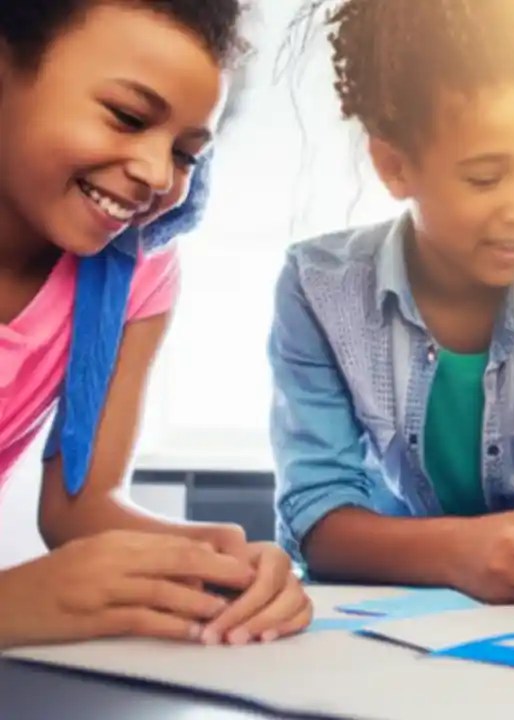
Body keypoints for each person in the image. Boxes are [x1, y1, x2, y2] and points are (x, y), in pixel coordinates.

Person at [270, 0, 514, 604]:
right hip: (375, 619)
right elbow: (317, 515)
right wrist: (460, 551)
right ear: (394, 166)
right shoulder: (318, 290)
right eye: (485, 178)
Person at [0, 0, 309, 649]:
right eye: (128, 117)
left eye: (188, 153)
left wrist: (216, 559)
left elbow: (78, 509)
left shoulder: (134, 274)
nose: (156, 173)